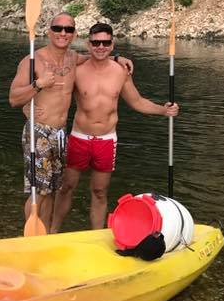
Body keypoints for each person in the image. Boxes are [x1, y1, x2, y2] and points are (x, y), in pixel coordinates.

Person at [50, 22, 178, 233]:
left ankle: (97, 236)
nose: (100, 47)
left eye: (105, 43)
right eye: (96, 42)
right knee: (66, 187)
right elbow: (57, 93)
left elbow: (137, 102)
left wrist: (163, 110)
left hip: (107, 141)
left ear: (112, 44)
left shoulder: (121, 72)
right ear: (88, 44)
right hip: (79, 137)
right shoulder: (77, 70)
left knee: (99, 191)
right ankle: (52, 233)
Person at [9, 13, 132, 231]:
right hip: (39, 131)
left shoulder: (73, 58)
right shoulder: (32, 60)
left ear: (74, 34)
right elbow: (14, 98)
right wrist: (38, 84)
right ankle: (29, 238)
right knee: (39, 191)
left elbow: (98, 55)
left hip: (60, 134)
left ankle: (44, 235)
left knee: (53, 190)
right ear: (49, 31)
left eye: (68, 29)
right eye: (58, 28)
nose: (63, 33)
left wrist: (117, 58)